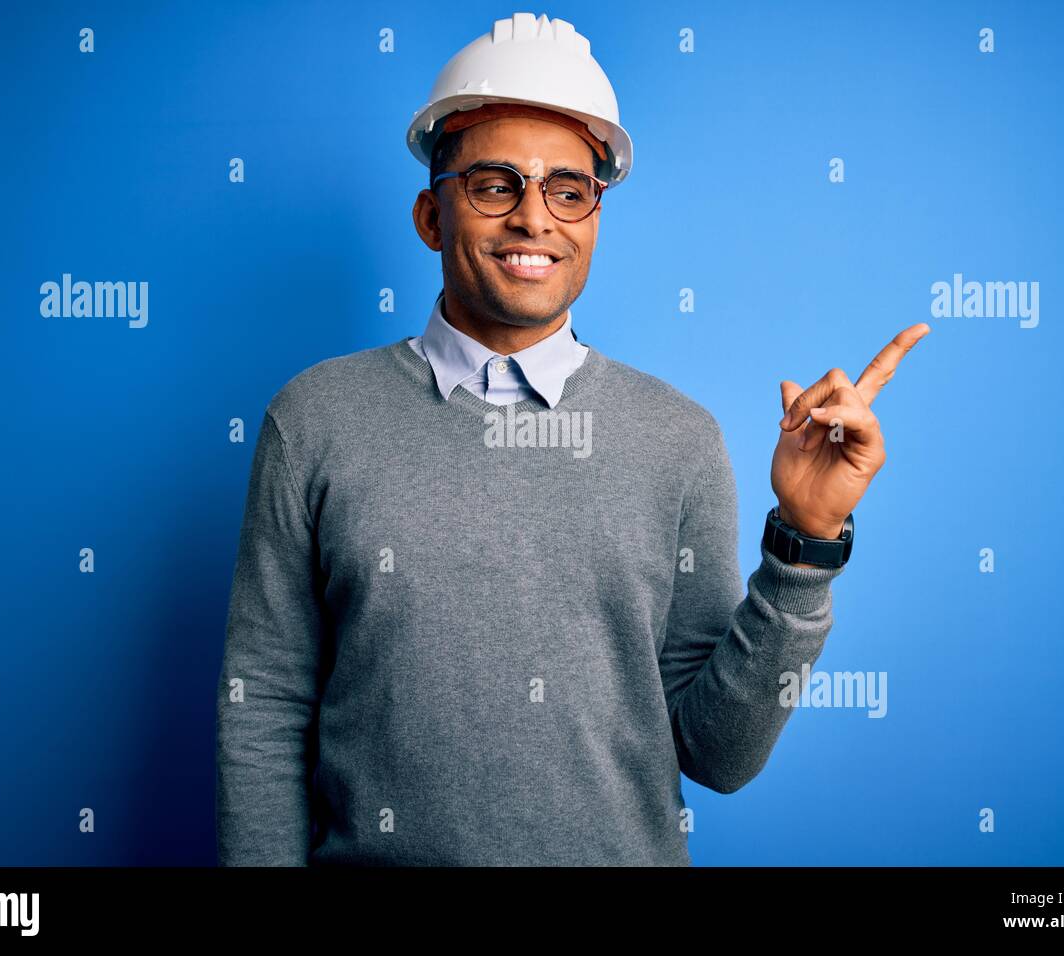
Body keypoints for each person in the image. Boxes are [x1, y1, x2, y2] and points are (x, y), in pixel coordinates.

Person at [216, 11, 927, 866]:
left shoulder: (677, 441)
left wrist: (805, 545)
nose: (534, 219)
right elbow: (263, 709)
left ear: (593, 218)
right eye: (495, 185)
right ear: (432, 216)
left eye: (568, 190)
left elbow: (718, 755)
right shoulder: (315, 419)